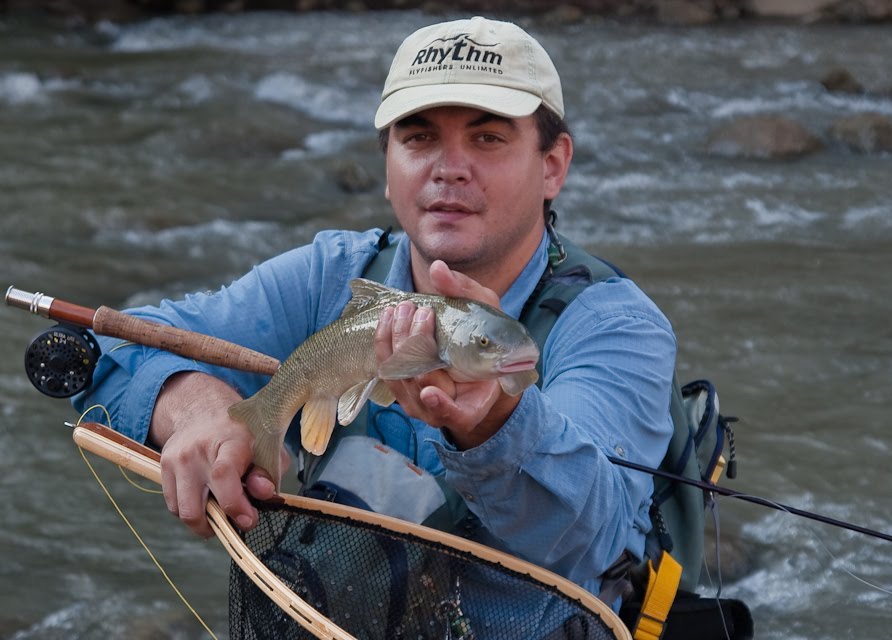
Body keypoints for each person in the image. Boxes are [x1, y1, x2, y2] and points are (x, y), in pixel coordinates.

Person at [74, 16, 675, 603]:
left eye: (487, 138)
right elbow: (108, 347)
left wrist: (494, 424)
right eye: (419, 138)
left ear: (553, 165)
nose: (449, 168)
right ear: (388, 169)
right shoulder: (327, 278)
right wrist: (195, 407)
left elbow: (592, 537)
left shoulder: (614, 326)